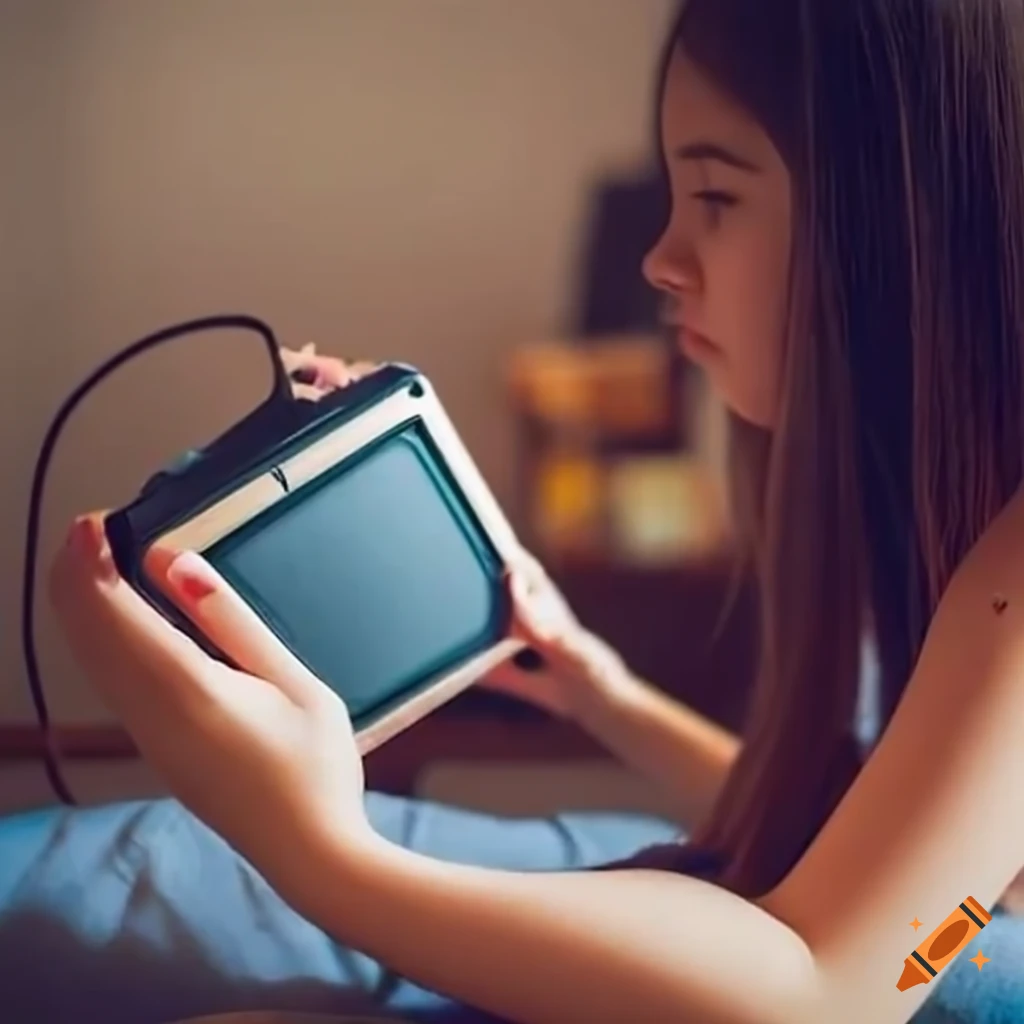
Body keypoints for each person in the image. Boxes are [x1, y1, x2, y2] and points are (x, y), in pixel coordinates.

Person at [4, 0, 1024, 1021]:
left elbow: (858, 982)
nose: (661, 259)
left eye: (715, 195)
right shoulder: (897, 498)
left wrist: (317, 851)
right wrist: (598, 689)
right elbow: (890, 858)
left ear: (905, 216)